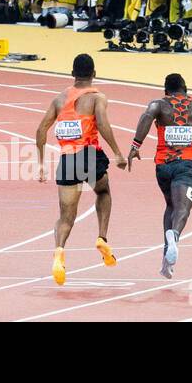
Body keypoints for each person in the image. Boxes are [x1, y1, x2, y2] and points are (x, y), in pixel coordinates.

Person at [34, 53, 127, 286]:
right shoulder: (97, 97)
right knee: (103, 192)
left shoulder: (59, 99)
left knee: (66, 217)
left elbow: (41, 130)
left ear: (72, 74)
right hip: (89, 155)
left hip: (67, 161)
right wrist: (117, 152)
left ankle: (59, 252)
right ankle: (102, 237)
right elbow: (103, 124)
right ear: (94, 74)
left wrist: (41, 164)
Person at [127, 73, 192, 278]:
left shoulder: (159, 104)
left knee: (170, 206)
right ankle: (174, 235)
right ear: (186, 89)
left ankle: (167, 258)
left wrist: (135, 146)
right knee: (183, 208)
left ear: (166, 91)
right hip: (186, 166)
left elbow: (147, 116)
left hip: (163, 167)